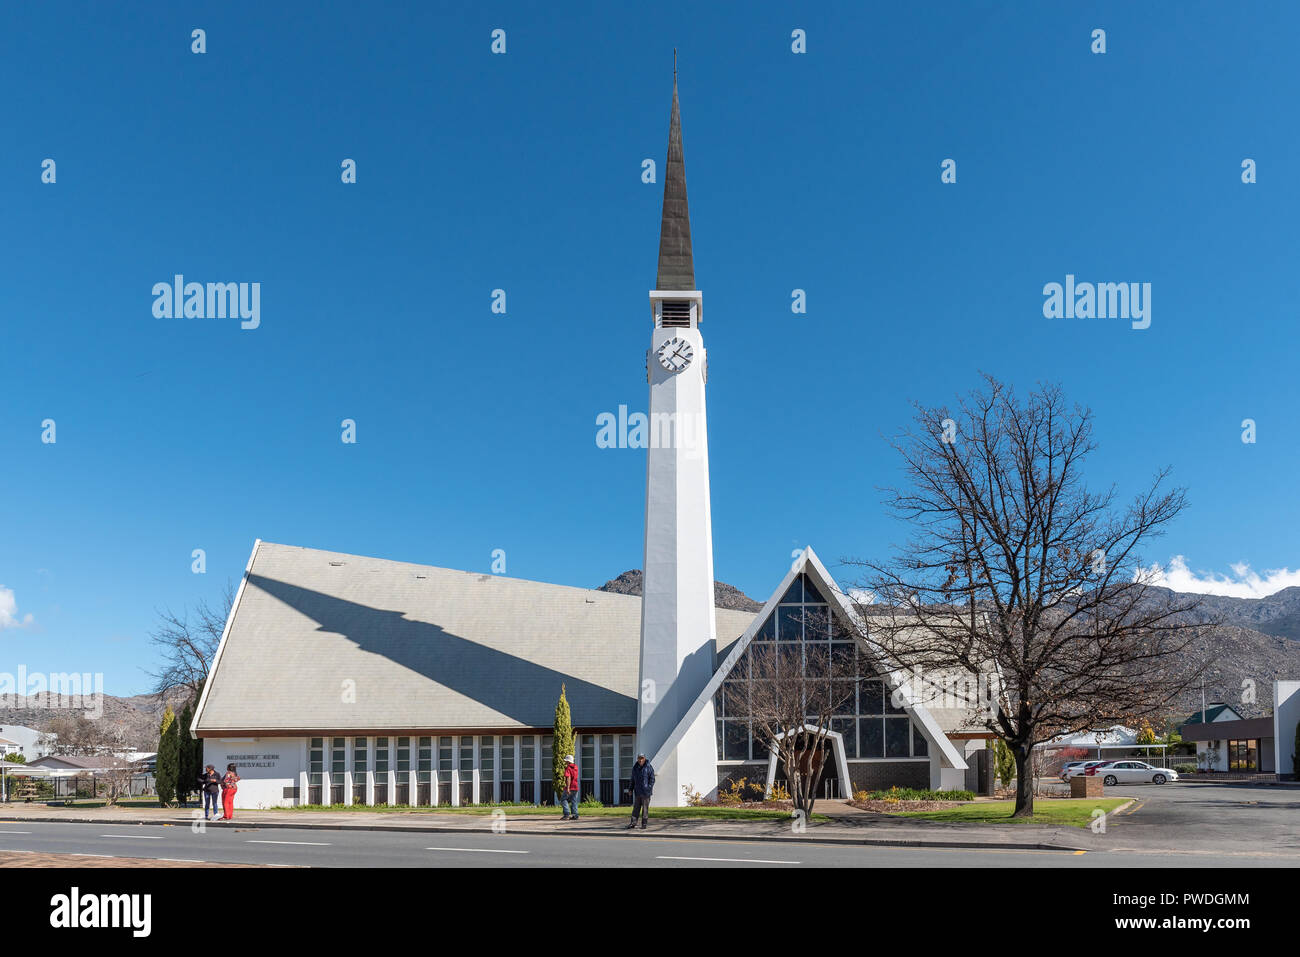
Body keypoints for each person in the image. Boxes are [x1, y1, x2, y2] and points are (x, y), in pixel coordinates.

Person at [628, 753, 654, 829]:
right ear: (637, 759)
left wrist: (649, 788)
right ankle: (633, 823)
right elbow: (632, 779)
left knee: (645, 809)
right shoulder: (635, 768)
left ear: (644, 758)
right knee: (636, 808)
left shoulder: (648, 767)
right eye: (639, 758)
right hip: (637, 792)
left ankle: (644, 824)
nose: (640, 760)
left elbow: (652, 779)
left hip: (646, 792)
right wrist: (630, 789)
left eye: (642, 758)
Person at [559, 754, 580, 821]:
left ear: (568, 761)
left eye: (566, 761)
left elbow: (568, 778)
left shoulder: (568, 768)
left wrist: (568, 788)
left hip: (570, 787)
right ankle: (575, 815)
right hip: (575, 787)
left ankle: (566, 814)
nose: (565, 762)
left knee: (563, 799)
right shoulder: (576, 767)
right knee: (574, 801)